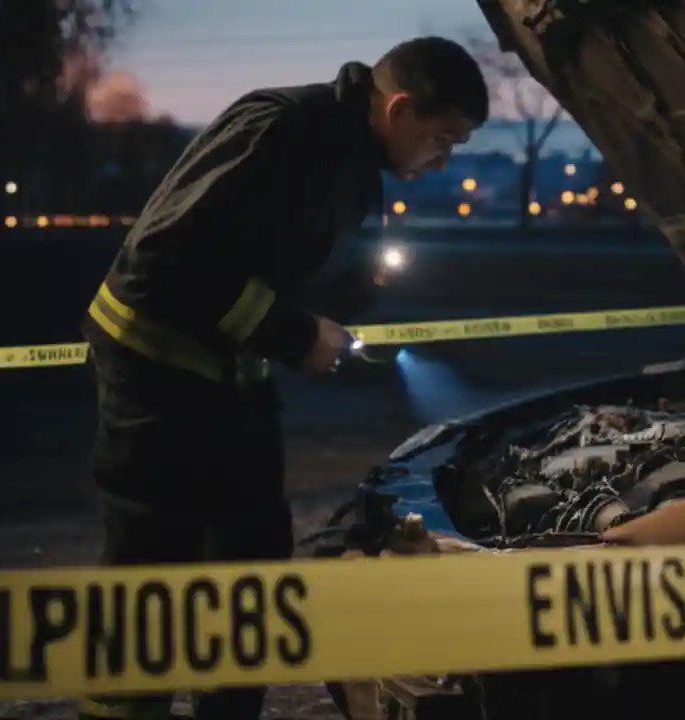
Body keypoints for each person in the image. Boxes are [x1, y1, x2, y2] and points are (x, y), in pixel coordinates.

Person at [75, 37, 488, 720]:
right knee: (152, 573)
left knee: (253, 564)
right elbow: (163, 265)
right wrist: (298, 335)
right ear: (400, 107)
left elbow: (275, 263)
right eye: (442, 140)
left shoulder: (349, 162)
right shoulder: (279, 132)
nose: (443, 161)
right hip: (152, 373)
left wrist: (351, 298)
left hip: (226, 370)